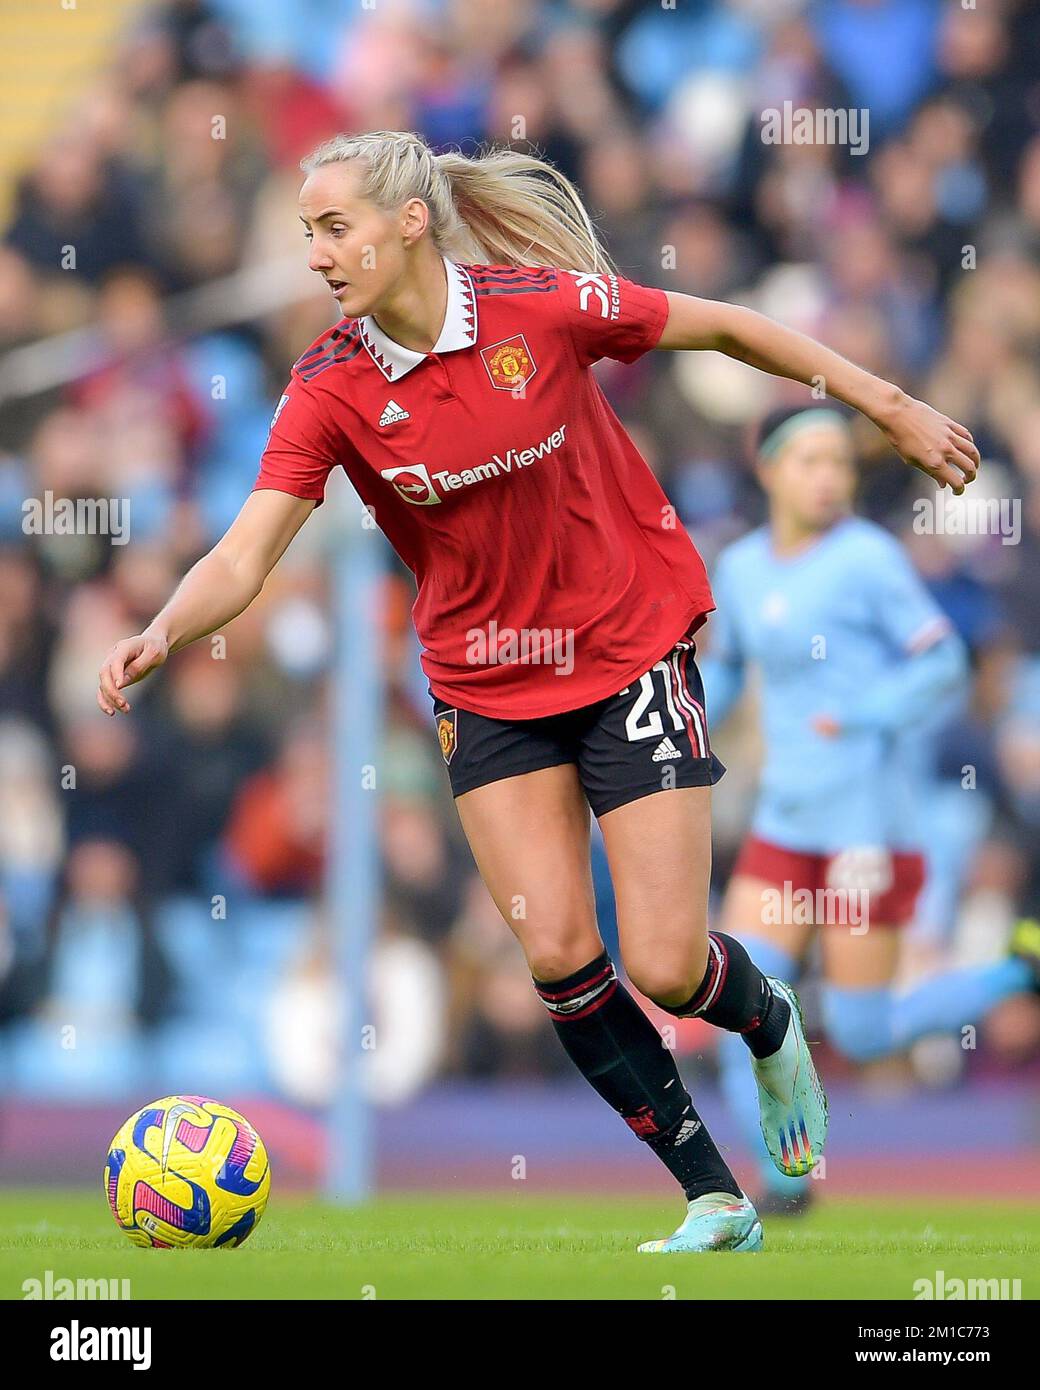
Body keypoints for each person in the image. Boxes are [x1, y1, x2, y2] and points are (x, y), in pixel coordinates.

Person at [97, 130, 979, 1253]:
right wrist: (165, 627)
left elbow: (727, 324)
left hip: (624, 648)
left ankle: (767, 1020)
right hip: (483, 683)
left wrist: (885, 404)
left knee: (663, 962)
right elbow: (244, 552)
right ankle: (714, 1195)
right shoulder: (328, 384)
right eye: (307, 233)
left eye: (333, 227)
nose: (315, 255)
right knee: (559, 956)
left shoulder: (537, 305)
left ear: (407, 223)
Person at [703, 405, 1035, 1214]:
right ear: (769, 467)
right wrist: (663, 733)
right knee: (733, 1004)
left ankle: (1018, 970)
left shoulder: (867, 559)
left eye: (841, 465)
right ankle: (787, 1180)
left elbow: (942, 661)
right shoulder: (742, 567)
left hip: (862, 831)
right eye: (812, 461)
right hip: (786, 821)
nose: (829, 478)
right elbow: (728, 671)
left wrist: (866, 715)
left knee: (861, 1034)